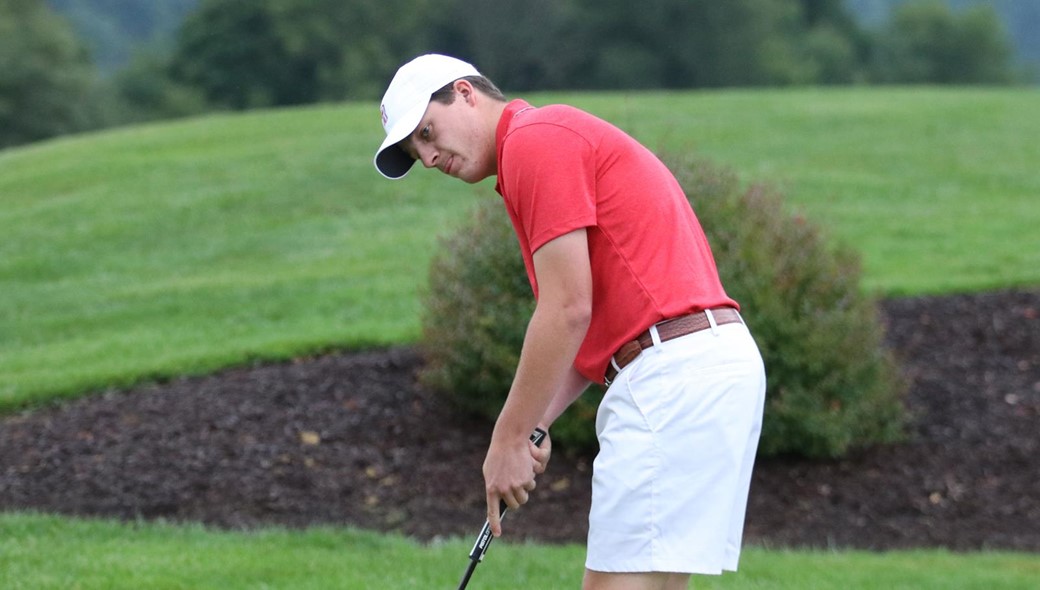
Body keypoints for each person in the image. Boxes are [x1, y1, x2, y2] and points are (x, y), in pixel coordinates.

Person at [373, 54, 766, 590]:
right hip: (700, 369)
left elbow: (566, 309)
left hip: (673, 377)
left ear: (465, 93)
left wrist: (508, 439)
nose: (428, 155)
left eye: (426, 132)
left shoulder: (537, 141)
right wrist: (536, 422)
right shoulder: (535, 150)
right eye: (415, 150)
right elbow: (589, 323)